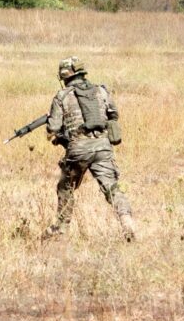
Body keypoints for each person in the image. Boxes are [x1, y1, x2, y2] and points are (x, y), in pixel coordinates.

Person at [41, 58, 136, 242]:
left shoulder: (62, 96)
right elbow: (113, 115)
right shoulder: (101, 91)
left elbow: (52, 130)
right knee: (112, 187)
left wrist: (54, 129)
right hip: (103, 147)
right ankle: (127, 221)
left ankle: (60, 229)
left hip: (79, 149)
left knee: (65, 187)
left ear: (64, 76)